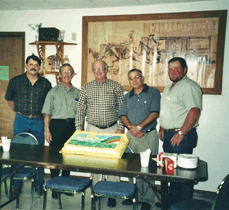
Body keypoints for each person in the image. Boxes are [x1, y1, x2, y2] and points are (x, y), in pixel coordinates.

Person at [75, 60, 124, 208]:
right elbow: (80, 110)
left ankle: (112, 193)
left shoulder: (116, 86)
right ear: (92, 71)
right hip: (93, 130)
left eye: (101, 69)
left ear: (106, 69)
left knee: (113, 163)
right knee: (95, 162)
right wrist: (79, 129)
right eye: (95, 70)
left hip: (112, 129)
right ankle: (96, 192)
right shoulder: (86, 87)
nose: (98, 72)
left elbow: (122, 109)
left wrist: (121, 128)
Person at [5, 54, 52, 196]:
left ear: (40, 67)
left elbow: (48, 106)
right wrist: (19, 112)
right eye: (31, 64)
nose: (33, 67)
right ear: (26, 65)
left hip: (38, 121)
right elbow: (9, 99)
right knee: (17, 152)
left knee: (38, 154)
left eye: (36, 65)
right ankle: (16, 186)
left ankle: (39, 184)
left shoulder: (45, 84)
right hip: (21, 120)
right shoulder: (15, 81)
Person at [159, 57, 202, 206]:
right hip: (170, 135)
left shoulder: (189, 86)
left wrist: (181, 133)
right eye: (170, 69)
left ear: (185, 70)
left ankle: (183, 206)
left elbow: (194, 111)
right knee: (170, 172)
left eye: (177, 68)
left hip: (182, 136)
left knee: (182, 175)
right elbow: (167, 109)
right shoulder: (169, 86)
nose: (173, 72)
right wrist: (163, 127)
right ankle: (172, 203)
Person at [119, 69, 160, 210]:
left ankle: (148, 200)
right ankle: (134, 195)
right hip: (131, 135)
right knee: (130, 167)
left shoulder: (153, 93)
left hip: (148, 135)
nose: (134, 80)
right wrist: (132, 128)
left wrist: (140, 127)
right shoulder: (127, 96)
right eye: (131, 78)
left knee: (147, 168)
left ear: (142, 78)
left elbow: (155, 113)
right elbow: (122, 115)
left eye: (137, 77)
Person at [41, 63, 80, 199]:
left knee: (69, 158)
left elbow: (81, 114)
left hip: (72, 127)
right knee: (55, 158)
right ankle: (55, 187)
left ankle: (65, 185)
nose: (67, 75)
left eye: (69, 72)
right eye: (64, 72)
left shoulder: (78, 93)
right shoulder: (53, 92)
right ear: (60, 75)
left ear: (73, 74)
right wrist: (47, 130)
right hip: (56, 126)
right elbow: (47, 114)